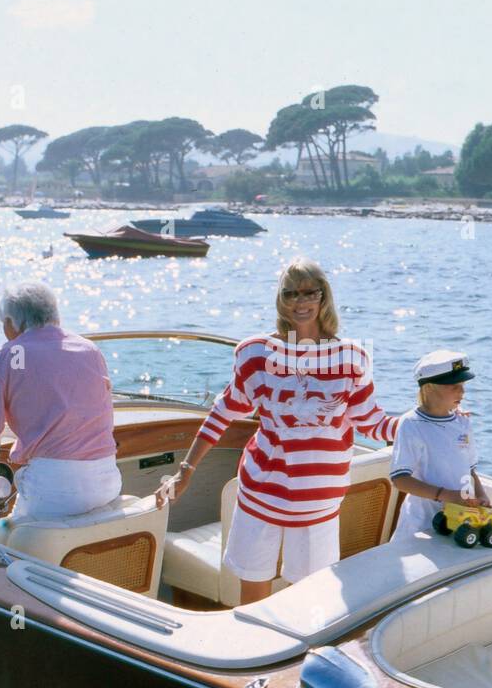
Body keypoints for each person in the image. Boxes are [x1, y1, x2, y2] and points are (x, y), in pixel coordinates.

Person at [156, 257, 398, 604]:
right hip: (263, 491)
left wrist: (422, 422)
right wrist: (185, 470)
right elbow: (223, 412)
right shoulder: (255, 353)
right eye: (290, 294)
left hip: (320, 500)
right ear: (280, 300)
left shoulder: (351, 358)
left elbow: (371, 421)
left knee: (310, 599)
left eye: (308, 293)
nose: (299, 302)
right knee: (253, 593)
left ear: (322, 296)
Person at [0, 282, 119, 522]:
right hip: (107, 480)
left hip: (55, 491)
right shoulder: (89, 349)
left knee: (4, 543)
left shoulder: (9, 356)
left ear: (10, 322)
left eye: (3, 323)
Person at [388, 349, 491, 541]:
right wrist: (448, 496)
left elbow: (470, 471)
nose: (462, 391)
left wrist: (482, 496)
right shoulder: (411, 424)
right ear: (428, 388)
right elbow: (400, 479)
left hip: (460, 521)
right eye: (453, 386)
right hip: (421, 526)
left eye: (462, 385)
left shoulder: (463, 422)